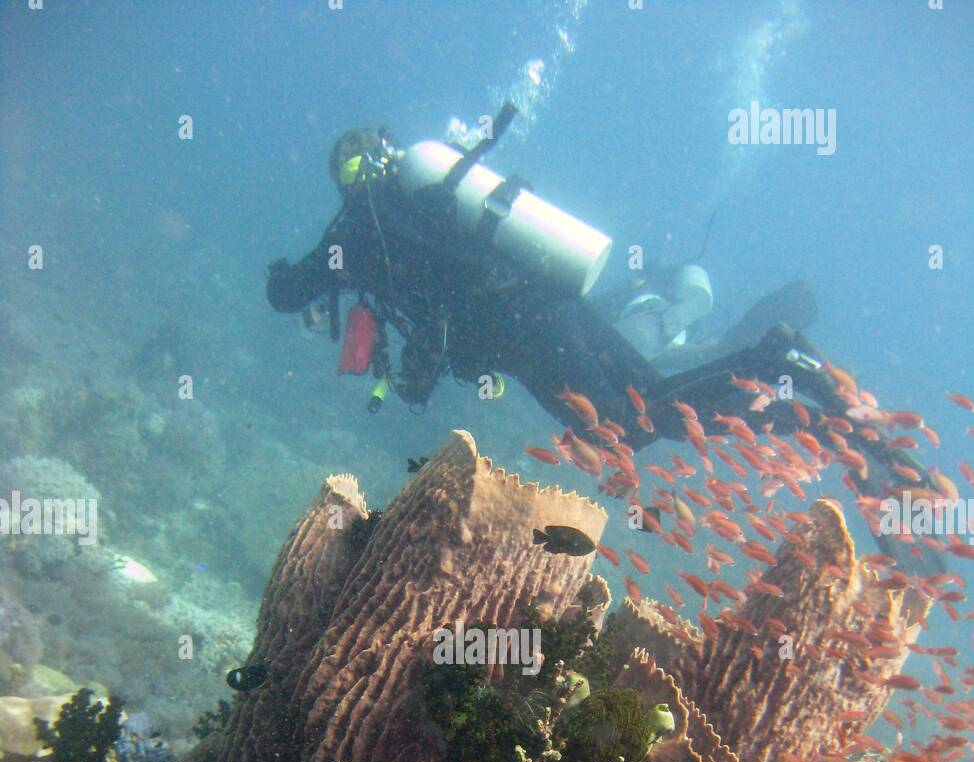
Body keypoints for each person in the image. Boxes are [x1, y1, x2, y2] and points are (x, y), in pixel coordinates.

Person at [266, 113, 942, 567]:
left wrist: (281, 275)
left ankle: (776, 359)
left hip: (525, 333)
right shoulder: (425, 205)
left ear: (352, 177)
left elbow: (290, 291)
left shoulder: (364, 224)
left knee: (632, 425)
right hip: (553, 303)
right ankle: (823, 421)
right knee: (647, 407)